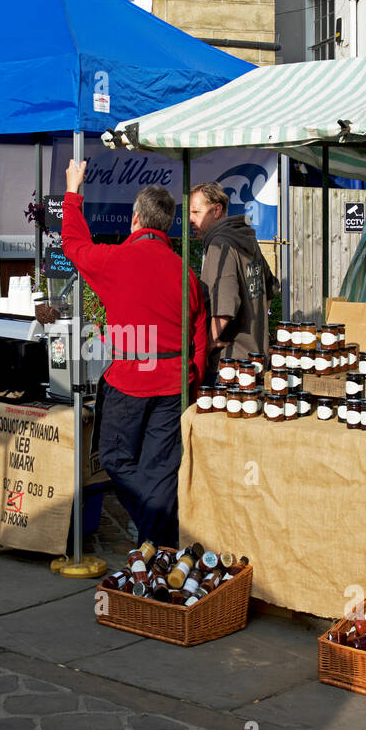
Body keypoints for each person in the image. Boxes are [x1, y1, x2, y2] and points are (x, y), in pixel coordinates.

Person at [62, 159, 208, 547]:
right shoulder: (186, 274)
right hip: (172, 384)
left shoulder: (117, 260)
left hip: (130, 378)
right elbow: (200, 334)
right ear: (166, 224)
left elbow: (74, 246)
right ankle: (158, 543)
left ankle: (155, 543)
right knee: (158, 471)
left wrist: (74, 190)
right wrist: (191, 378)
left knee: (114, 458)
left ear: (135, 219)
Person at [189, 181, 278, 365]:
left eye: (196, 212)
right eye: (189, 213)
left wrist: (208, 344)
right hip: (256, 356)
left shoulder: (219, 245)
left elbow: (224, 308)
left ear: (217, 210)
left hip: (229, 362)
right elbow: (270, 289)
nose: (190, 219)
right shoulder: (246, 240)